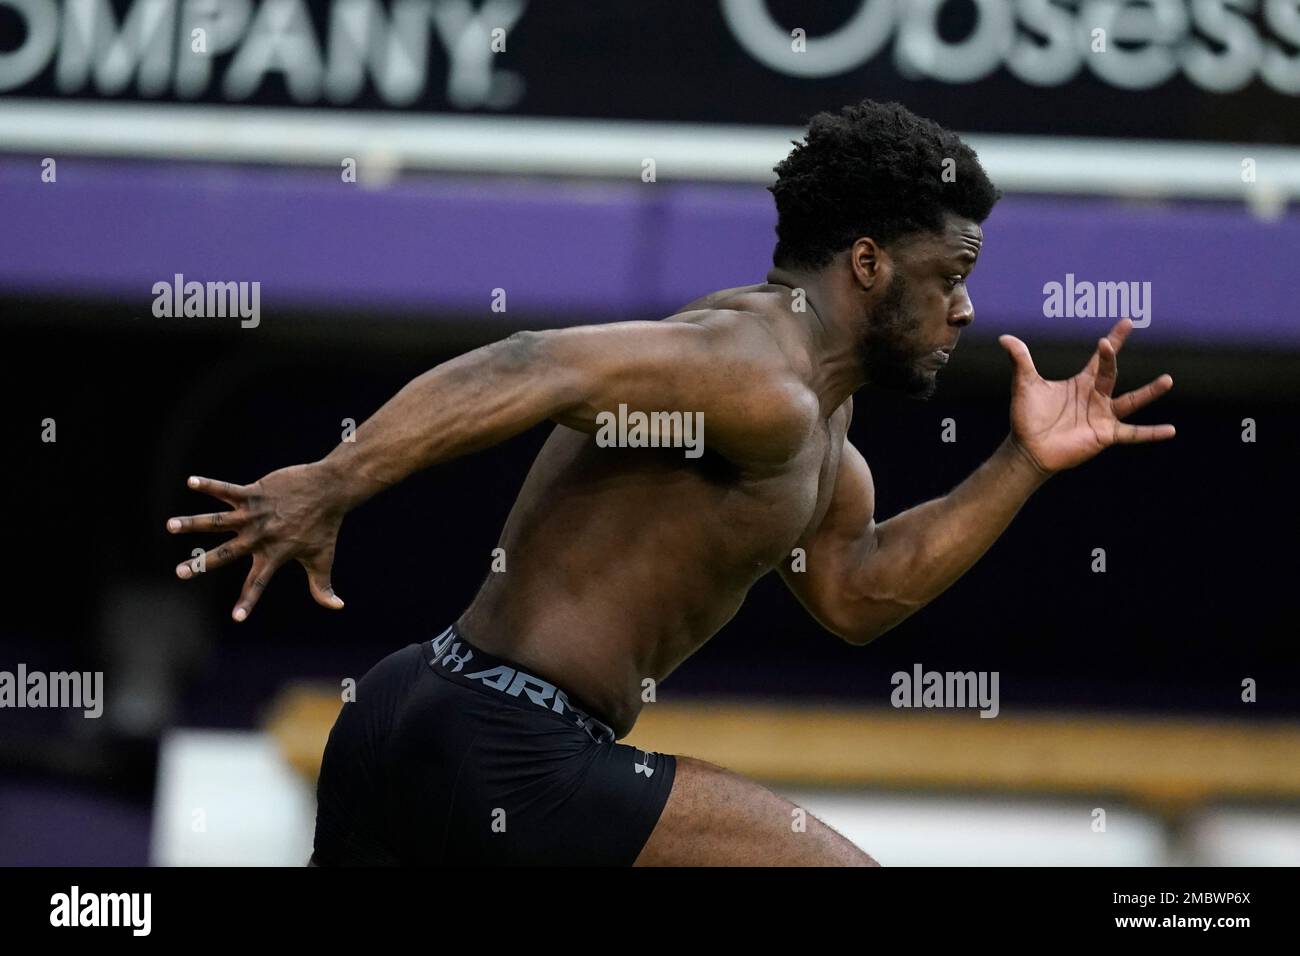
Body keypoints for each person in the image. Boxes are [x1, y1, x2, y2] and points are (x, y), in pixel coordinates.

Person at [167, 100, 1174, 866]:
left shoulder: (816, 423)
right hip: (507, 742)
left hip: (417, 709)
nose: (962, 308)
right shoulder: (756, 370)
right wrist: (332, 481)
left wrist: (1023, 461)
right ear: (867, 263)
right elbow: (531, 364)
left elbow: (855, 591)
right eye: (947, 275)